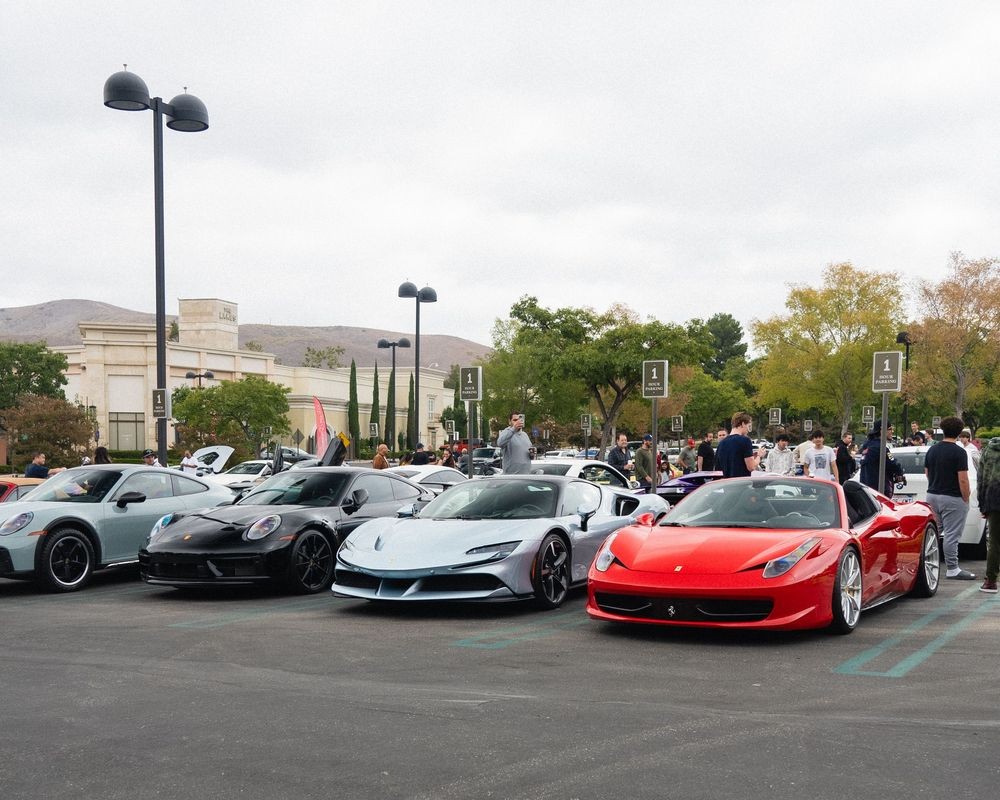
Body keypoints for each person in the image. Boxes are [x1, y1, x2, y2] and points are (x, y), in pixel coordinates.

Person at [925, 416, 975, 581]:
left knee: (934, 533)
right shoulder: (959, 452)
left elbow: (927, 472)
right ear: (960, 433)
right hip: (952, 496)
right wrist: (965, 498)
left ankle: (928, 564)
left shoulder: (932, 450)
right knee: (952, 534)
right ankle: (952, 568)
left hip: (932, 495)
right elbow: (963, 478)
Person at [976, 434, 1000, 593]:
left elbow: (981, 479)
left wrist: (982, 504)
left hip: (994, 498)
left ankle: (991, 581)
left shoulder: (988, 450)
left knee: (994, 541)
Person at [715, 412, 761, 478]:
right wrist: (759, 456)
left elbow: (718, 468)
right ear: (742, 424)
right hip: (741, 484)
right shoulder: (745, 440)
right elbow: (751, 467)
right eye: (748, 426)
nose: (748, 430)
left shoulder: (722, 443)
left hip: (726, 484)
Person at [859, 420, 895, 496]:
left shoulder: (867, 446)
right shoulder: (881, 448)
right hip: (878, 491)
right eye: (890, 429)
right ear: (882, 430)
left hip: (866, 490)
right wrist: (900, 473)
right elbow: (893, 464)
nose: (892, 431)